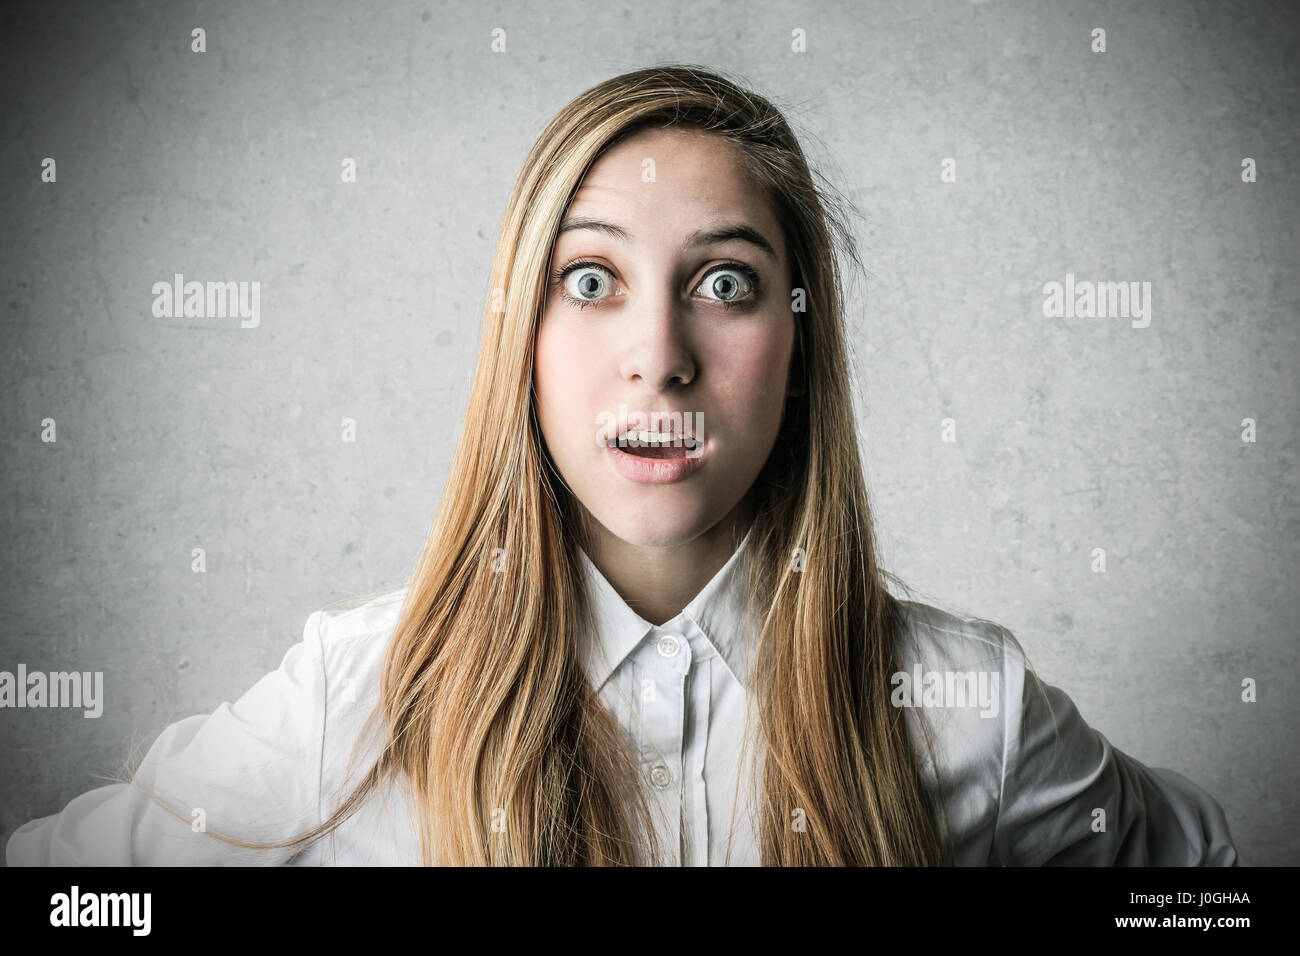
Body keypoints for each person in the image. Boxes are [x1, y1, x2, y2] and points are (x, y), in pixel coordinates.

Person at [5, 64, 1238, 867]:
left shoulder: (972, 708)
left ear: (798, 344)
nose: (659, 356)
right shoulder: (360, 701)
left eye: (724, 284)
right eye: (588, 281)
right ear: (521, 345)